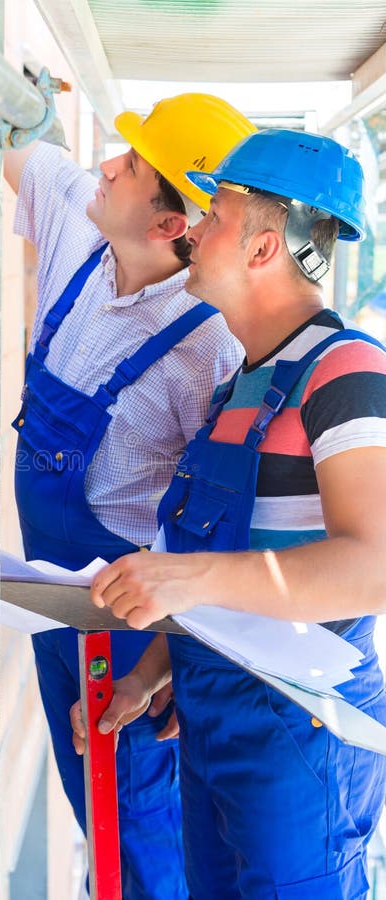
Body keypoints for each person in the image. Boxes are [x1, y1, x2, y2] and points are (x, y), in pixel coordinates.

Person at [72, 127, 386, 898]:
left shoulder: (347, 369)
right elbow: (233, 584)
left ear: (261, 249)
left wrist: (187, 577)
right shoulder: (236, 390)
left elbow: (374, 565)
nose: (198, 229)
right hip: (216, 719)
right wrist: (154, 668)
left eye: (215, 213)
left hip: (299, 737)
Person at [4, 94, 254, 898]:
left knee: (140, 826)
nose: (105, 166)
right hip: (50, 599)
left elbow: (225, 521)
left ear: (170, 226)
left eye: (132, 165)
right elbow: (16, 136)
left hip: (128, 621)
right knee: (92, 806)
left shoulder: (207, 346)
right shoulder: (80, 227)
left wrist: (176, 656)